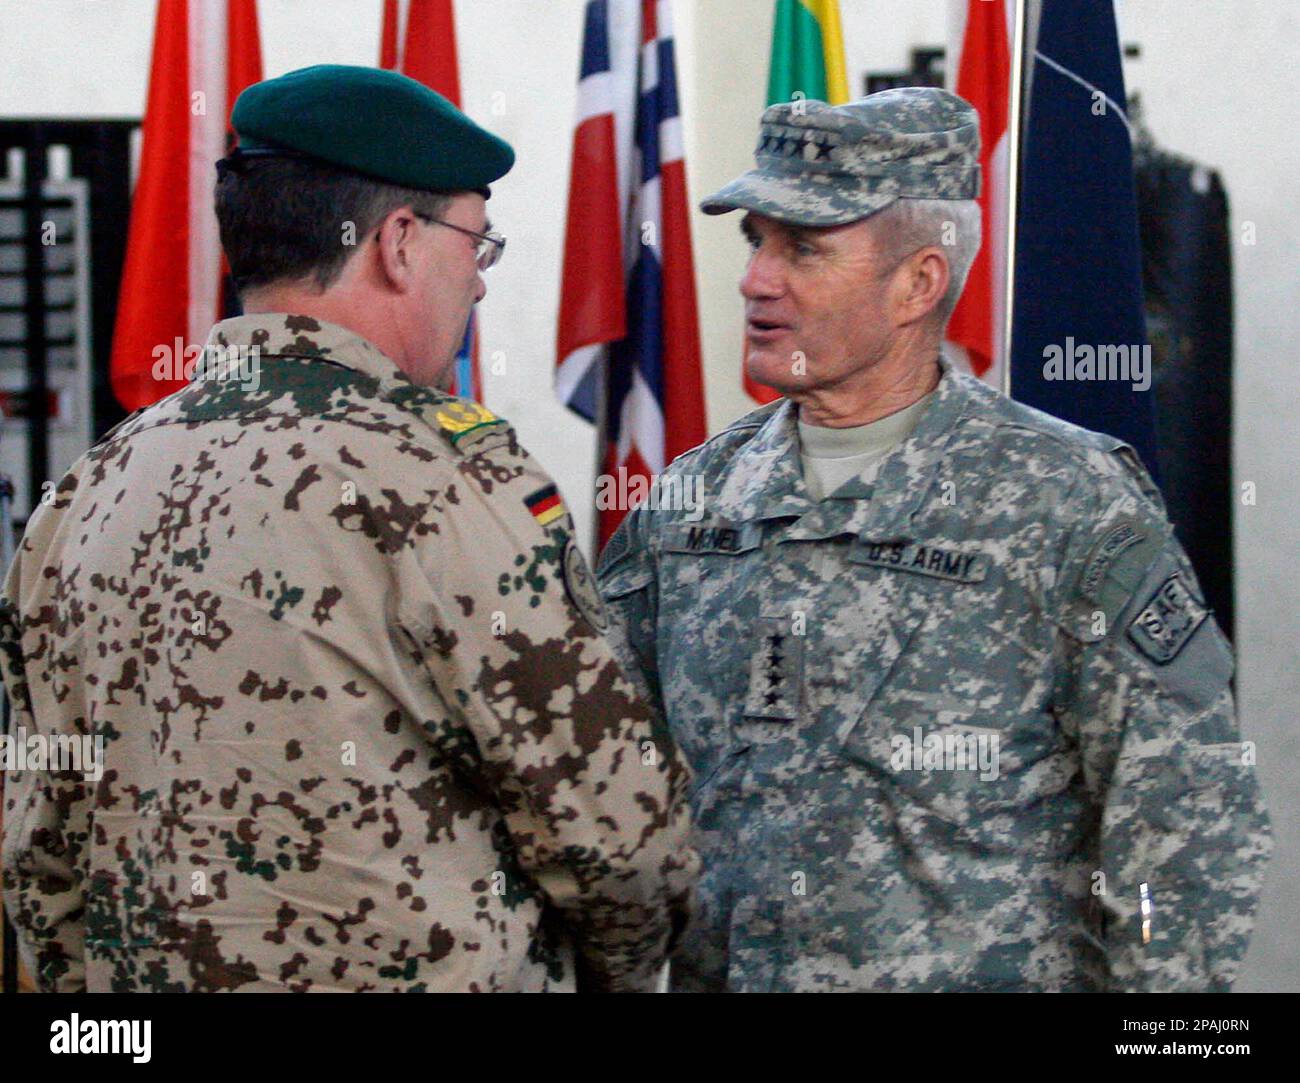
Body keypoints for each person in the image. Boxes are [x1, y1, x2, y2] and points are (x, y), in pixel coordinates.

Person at [0, 65, 697, 993]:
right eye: (477, 248)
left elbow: (40, 853)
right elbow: (618, 833)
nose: (479, 287)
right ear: (400, 243)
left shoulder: (85, 490)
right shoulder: (447, 479)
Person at [596, 87, 1271, 992]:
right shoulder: (689, 505)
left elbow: (1187, 819)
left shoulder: (1066, 504)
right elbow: (600, 782)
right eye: (755, 240)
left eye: (804, 247)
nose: (758, 278)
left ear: (919, 281)